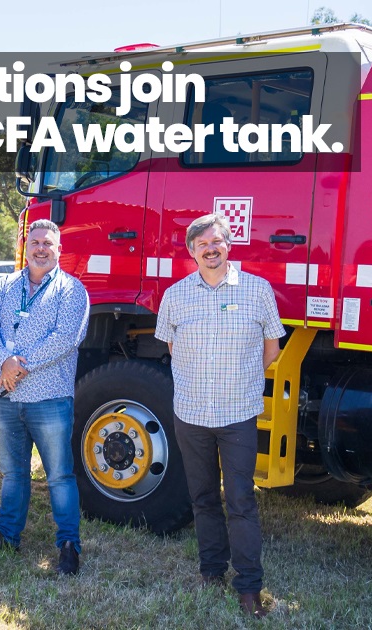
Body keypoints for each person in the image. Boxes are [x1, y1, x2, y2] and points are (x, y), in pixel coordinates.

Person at [154, 213, 283, 619]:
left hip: (238, 414)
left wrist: (240, 381)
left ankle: (249, 587)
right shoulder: (175, 295)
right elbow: (173, 348)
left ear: (228, 245)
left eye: (216, 242)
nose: (210, 250)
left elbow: (272, 348)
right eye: (202, 245)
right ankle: (211, 572)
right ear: (192, 252)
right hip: (191, 414)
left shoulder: (257, 290)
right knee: (203, 497)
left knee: (241, 500)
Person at [0, 219, 89, 575]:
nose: (41, 248)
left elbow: (65, 338)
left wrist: (18, 367)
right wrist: (4, 361)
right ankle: (7, 538)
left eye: (48, 243)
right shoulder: (5, 285)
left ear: (59, 250)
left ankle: (69, 547)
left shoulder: (71, 290)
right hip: (8, 398)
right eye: (35, 242)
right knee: (13, 474)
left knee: (59, 476)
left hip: (50, 398)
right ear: (26, 247)